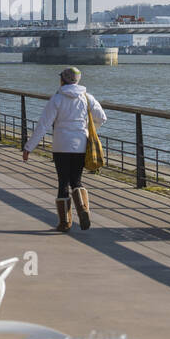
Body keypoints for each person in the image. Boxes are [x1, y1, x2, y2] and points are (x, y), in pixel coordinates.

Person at [22, 67, 106, 232]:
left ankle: (65, 223)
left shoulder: (57, 99)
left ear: (63, 80)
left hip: (61, 146)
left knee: (63, 184)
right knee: (77, 181)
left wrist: (28, 147)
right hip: (81, 145)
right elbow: (102, 117)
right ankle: (83, 208)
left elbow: (43, 125)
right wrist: (89, 130)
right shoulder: (87, 98)